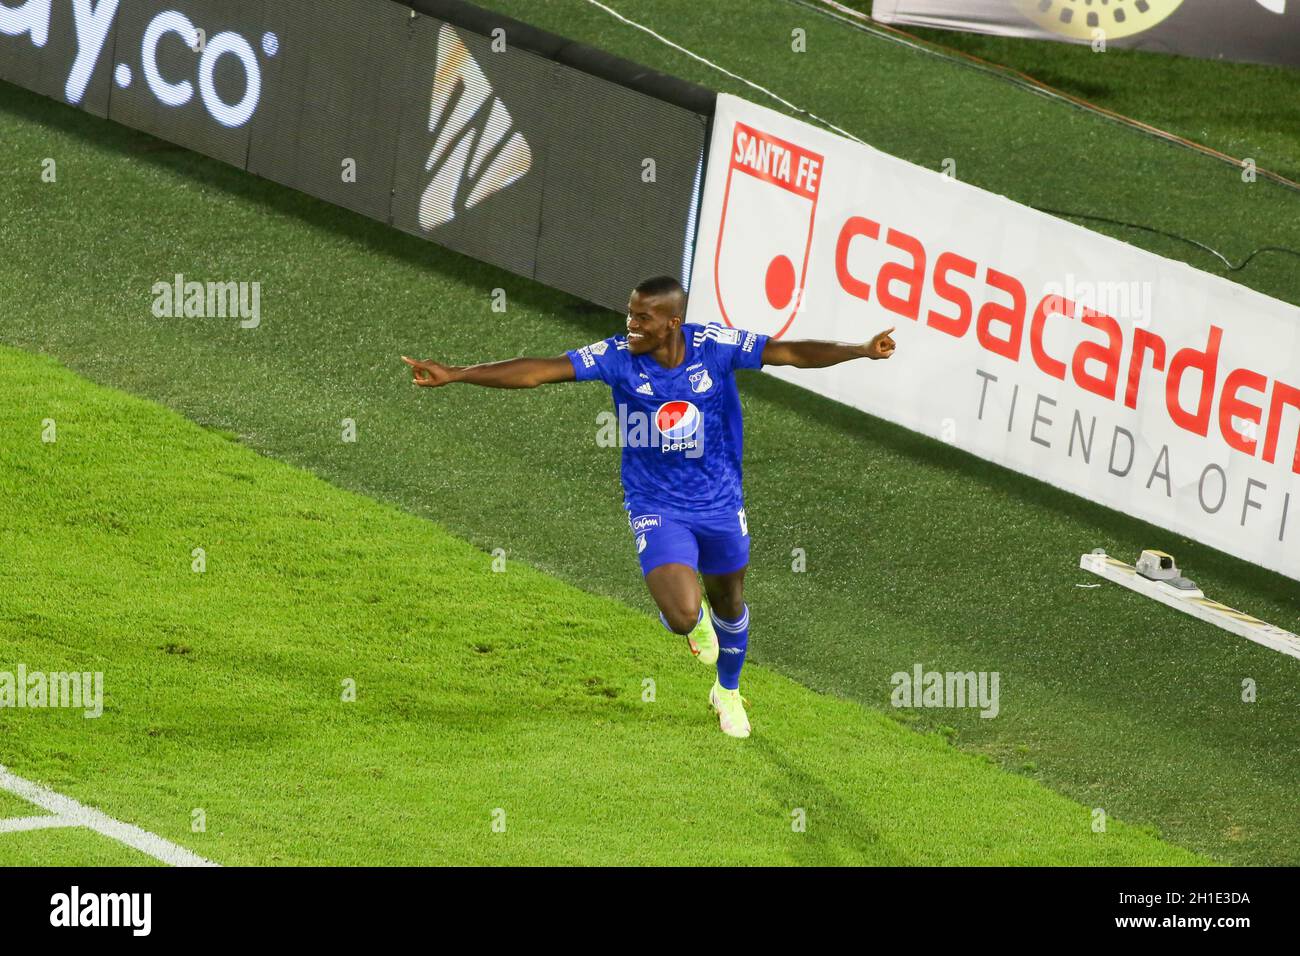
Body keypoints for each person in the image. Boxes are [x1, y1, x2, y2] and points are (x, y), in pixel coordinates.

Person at [402, 275, 896, 737]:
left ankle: (727, 691)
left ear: (672, 323)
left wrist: (859, 350)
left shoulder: (714, 347)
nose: (631, 326)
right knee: (685, 614)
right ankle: (689, 625)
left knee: (729, 601)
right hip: (656, 503)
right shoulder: (618, 357)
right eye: (630, 315)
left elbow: (787, 352)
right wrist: (459, 374)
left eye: (642, 319)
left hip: (720, 501)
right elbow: (539, 371)